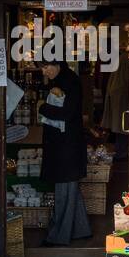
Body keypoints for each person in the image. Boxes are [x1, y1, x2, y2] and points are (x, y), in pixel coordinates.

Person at [37, 59, 90, 247]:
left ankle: (58, 236)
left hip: (67, 146)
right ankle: (81, 229)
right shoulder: (61, 80)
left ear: (57, 64)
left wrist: (42, 107)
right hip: (64, 144)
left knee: (64, 191)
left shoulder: (70, 82)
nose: (44, 72)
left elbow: (67, 113)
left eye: (46, 67)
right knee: (70, 188)